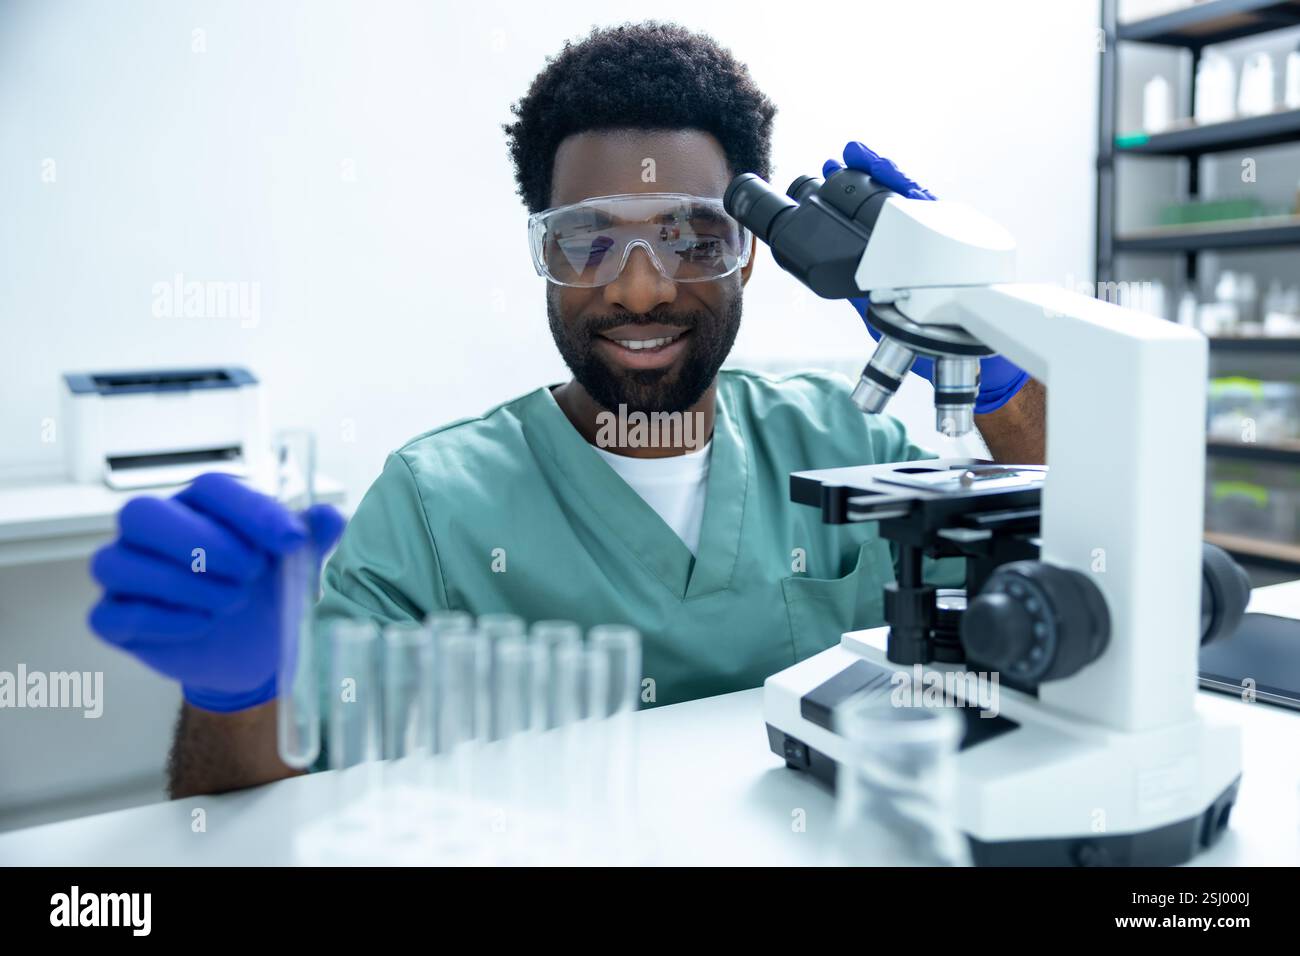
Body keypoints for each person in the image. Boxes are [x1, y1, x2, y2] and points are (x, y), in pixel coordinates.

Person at [89, 22, 1044, 797]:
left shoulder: (842, 440)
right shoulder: (435, 506)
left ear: (750, 249)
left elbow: (1061, 606)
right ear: (537, 253)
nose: (637, 291)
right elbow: (249, 806)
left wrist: (1004, 363)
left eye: (687, 235)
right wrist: (231, 692)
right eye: (586, 241)